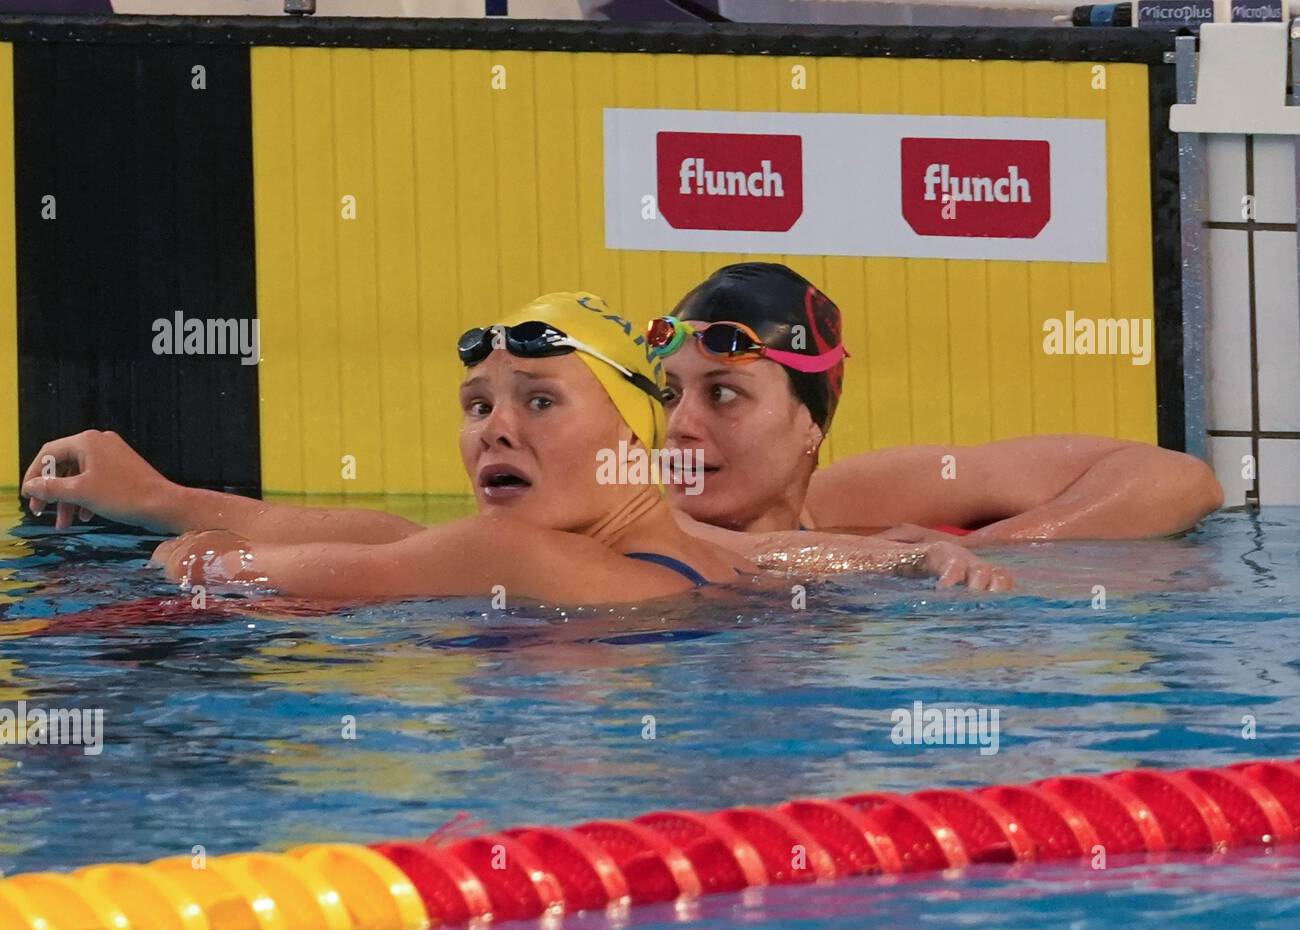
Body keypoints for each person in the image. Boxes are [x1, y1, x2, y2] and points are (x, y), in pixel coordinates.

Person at [20, 292, 1011, 601]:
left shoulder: (507, 553)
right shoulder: (717, 558)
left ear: (634, 435)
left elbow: (233, 579)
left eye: (538, 402)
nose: (492, 427)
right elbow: (394, 535)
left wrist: (184, 552)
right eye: (477, 404)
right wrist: (929, 554)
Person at [654, 262, 1224, 547]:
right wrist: (901, 562)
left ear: (812, 422)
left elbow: (1178, 479)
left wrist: (991, 548)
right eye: (671, 393)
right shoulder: (627, 540)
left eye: (723, 393)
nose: (680, 426)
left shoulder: (845, 504)